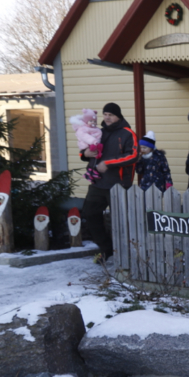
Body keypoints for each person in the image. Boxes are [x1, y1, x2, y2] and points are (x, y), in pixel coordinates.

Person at [80, 102, 138, 262]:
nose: (107, 117)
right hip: (97, 183)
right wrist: (85, 153)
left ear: (118, 116)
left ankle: (125, 255)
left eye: (110, 115)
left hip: (118, 184)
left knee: (120, 221)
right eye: (105, 114)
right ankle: (106, 249)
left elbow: (133, 156)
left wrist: (108, 163)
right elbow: (84, 150)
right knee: (89, 214)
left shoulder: (127, 133)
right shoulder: (98, 132)